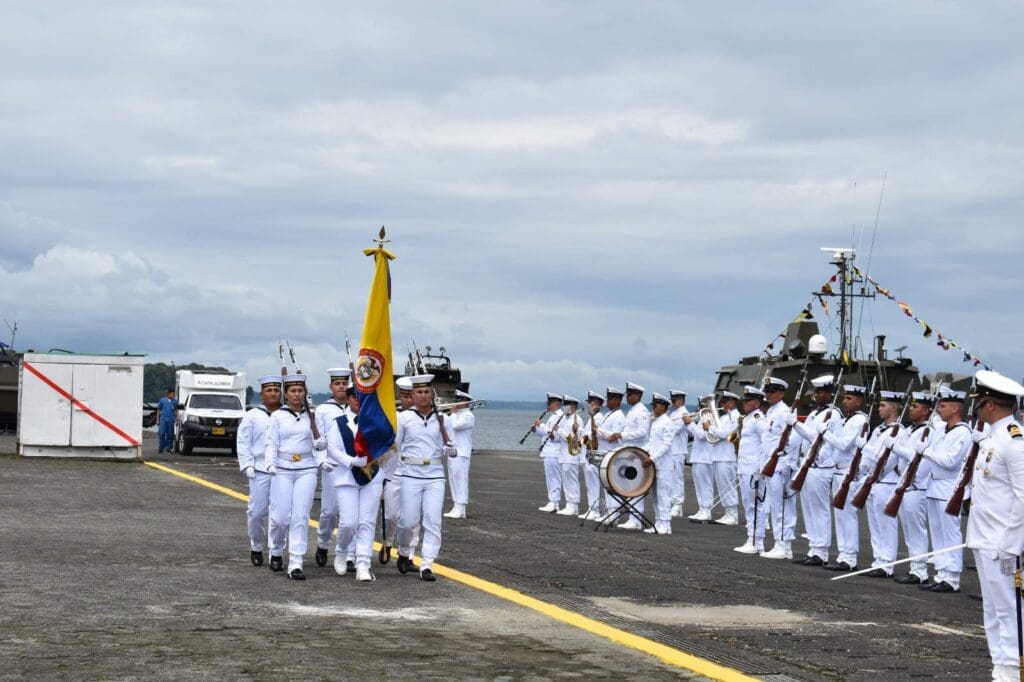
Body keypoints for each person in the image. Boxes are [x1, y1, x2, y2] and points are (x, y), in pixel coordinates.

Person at [964, 370, 1024, 682]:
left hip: (1002, 544)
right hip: (985, 540)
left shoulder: (1014, 440)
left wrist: (1011, 545)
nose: (974, 409)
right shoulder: (994, 438)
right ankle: (1001, 666)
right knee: (993, 610)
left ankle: (1014, 669)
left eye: (978, 403)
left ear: (990, 404)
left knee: (1009, 610)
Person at [265, 374, 329, 580]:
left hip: (306, 468)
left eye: (300, 391)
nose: (297, 394)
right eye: (293, 391)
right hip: (282, 468)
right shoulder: (277, 416)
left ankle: (296, 561)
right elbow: (271, 443)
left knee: (300, 516)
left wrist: (322, 456)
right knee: (281, 517)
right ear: (286, 394)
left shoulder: (313, 415)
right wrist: (270, 463)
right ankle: (276, 549)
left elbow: (319, 441)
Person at [395, 374, 453, 581]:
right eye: (418, 392)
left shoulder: (443, 418)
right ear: (412, 394)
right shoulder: (404, 418)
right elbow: (396, 446)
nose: (423, 396)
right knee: (408, 521)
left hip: (435, 475)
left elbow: (450, 446)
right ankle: (404, 550)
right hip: (410, 473)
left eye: (426, 392)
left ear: (432, 394)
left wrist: (450, 450)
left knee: (432, 520)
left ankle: (427, 563)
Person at [324, 387, 384, 582]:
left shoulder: (377, 422)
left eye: (363, 397)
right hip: (346, 475)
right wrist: (352, 461)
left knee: (367, 522)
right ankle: (341, 551)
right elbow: (331, 449)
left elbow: (387, 445)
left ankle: (363, 565)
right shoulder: (338, 423)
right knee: (349, 522)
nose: (358, 401)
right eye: (354, 397)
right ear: (348, 399)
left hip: (372, 475)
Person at [918, 386, 972, 592]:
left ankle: (952, 578)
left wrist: (927, 452)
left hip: (949, 488)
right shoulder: (941, 429)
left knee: (950, 535)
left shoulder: (963, 433)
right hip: (934, 486)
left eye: (943, 405)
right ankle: (941, 574)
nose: (939, 408)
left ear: (956, 408)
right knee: (937, 534)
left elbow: (950, 461)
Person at [890, 391, 943, 585]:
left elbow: (918, 457)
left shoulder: (930, 432)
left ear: (926, 411)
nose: (911, 409)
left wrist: (895, 447)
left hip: (917, 486)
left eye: (915, 407)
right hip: (905, 485)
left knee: (917, 531)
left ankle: (920, 571)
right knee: (909, 532)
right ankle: (915, 568)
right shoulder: (910, 430)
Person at [790, 375, 842, 566]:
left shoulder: (834, 414)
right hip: (808, 465)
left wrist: (795, 424)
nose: (816, 396)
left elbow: (815, 437)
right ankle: (814, 547)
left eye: (820, 392)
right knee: (809, 510)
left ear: (829, 394)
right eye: (816, 392)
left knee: (819, 510)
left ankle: (821, 551)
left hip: (820, 466)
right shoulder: (814, 414)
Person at [817, 384, 869, 571]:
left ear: (859, 401)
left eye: (849, 399)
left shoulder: (859, 420)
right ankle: (843, 554)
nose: (844, 401)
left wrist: (825, 432)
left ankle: (850, 558)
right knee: (840, 516)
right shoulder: (848, 419)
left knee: (847, 516)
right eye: (844, 398)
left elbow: (844, 445)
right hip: (838, 471)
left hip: (848, 471)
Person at [857, 390, 905, 577]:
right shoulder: (878, 429)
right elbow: (869, 459)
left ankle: (887, 564)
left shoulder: (899, 431)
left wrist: (865, 447)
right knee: (874, 525)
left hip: (887, 481)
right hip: (873, 481)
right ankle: (878, 560)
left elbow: (885, 460)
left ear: (893, 408)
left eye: (883, 405)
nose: (879, 408)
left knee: (886, 525)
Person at [235, 375, 282, 566]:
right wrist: (247, 465)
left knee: (280, 516)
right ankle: (256, 545)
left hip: (282, 469)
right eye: (269, 390)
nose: (273, 394)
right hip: (260, 469)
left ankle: (276, 550)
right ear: (262, 394)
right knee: (256, 512)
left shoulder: (286, 414)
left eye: (276, 390)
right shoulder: (253, 415)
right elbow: (243, 441)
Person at [314, 368, 352, 569]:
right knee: (329, 511)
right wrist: (321, 460)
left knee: (349, 514)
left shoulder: (355, 407)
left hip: (352, 466)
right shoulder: (323, 410)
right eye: (338, 384)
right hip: (332, 466)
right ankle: (322, 543)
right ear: (331, 387)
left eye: (345, 384)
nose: (342, 387)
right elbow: (318, 439)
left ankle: (347, 552)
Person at [761, 377, 801, 559]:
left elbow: (794, 440)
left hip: (780, 467)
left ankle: (784, 546)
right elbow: (768, 442)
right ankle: (779, 543)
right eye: (766, 391)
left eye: (771, 391)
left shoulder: (786, 412)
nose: (767, 395)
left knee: (783, 507)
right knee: (776, 507)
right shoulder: (771, 412)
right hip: (770, 465)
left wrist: (785, 465)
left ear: (781, 393)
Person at [734, 386, 769, 554]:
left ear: (756, 403)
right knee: (748, 505)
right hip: (744, 467)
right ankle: (752, 538)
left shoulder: (757, 418)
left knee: (755, 506)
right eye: (744, 400)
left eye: (748, 401)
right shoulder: (748, 419)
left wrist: (759, 469)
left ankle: (757, 541)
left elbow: (766, 443)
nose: (744, 403)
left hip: (753, 469)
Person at [613, 382, 651, 530]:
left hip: (638, 452)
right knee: (630, 485)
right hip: (631, 452)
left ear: (637, 395)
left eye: (629, 395)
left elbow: (642, 432)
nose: (627, 398)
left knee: (636, 485)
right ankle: (632, 517)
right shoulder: (633, 410)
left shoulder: (641, 411)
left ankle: (635, 519)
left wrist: (622, 434)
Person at [642, 392, 679, 535]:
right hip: (655, 464)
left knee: (664, 495)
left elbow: (666, 445)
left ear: (663, 406)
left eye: (655, 405)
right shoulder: (656, 422)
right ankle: (658, 522)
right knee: (656, 495)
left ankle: (666, 524)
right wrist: (640, 452)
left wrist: (652, 458)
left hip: (664, 465)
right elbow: (652, 443)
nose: (653, 408)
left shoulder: (668, 423)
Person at [708, 391, 740, 525]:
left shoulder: (736, 417)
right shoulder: (723, 418)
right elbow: (715, 436)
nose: (722, 404)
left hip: (727, 456)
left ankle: (733, 515)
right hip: (719, 455)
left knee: (729, 487)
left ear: (732, 402)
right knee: (722, 487)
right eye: (722, 402)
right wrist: (710, 428)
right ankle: (728, 513)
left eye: (725, 402)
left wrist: (710, 428)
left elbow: (727, 435)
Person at [443, 390, 475, 519]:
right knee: (453, 479)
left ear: (467, 402)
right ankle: (457, 506)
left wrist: (452, 413)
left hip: (462, 453)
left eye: (460, 400)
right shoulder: (457, 414)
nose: (456, 403)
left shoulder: (468, 416)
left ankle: (461, 506)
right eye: (456, 400)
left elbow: (455, 425)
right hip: (453, 451)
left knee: (461, 480)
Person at [596, 387, 627, 520]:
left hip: (612, 454)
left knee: (612, 485)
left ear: (616, 400)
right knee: (606, 485)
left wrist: (598, 431)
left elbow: (613, 437)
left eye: (609, 399)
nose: (607, 402)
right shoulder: (610, 414)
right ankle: (609, 512)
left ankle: (614, 513)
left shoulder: (619, 416)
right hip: (604, 453)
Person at [685, 395, 715, 522]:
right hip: (697, 456)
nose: (700, 408)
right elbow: (694, 434)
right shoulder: (701, 418)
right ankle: (702, 508)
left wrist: (690, 423)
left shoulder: (710, 418)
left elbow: (702, 435)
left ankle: (707, 510)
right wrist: (688, 425)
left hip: (705, 457)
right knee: (698, 485)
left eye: (703, 405)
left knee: (705, 485)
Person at [579, 391, 608, 521]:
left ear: (596, 403)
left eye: (590, 402)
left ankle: (595, 510)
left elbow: (592, 435)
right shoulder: (593, 417)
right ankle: (592, 508)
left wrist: (581, 441)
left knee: (594, 484)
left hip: (594, 454)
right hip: (588, 454)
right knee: (590, 484)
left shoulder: (599, 418)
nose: (587, 404)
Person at [534, 393, 565, 512]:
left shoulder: (560, 416)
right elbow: (545, 434)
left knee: (554, 478)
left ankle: (555, 502)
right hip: (548, 451)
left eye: (550, 403)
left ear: (556, 403)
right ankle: (552, 501)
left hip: (554, 451)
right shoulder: (552, 416)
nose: (548, 406)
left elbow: (555, 436)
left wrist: (541, 424)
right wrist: (536, 430)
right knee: (550, 478)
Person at [555, 395, 584, 516]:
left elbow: (573, 439)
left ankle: (573, 504)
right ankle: (569, 503)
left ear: (573, 406)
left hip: (572, 454)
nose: (564, 408)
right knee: (566, 479)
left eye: (566, 405)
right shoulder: (567, 419)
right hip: (564, 454)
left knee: (571, 480)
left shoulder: (576, 419)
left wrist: (559, 430)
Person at [668, 390, 689, 517]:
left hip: (678, 450)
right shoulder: (673, 414)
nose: (672, 402)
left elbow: (674, 430)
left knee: (677, 478)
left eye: (674, 400)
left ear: (681, 400)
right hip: (671, 450)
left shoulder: (684, 413)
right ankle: (673, 501)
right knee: (671, 478)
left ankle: (678, 504)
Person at [157, 388, 177, 453]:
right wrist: (157, 420)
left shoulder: (175, 401)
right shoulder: (162, 400)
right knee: (161, 433)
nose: (173, 395)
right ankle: (161, 447)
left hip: (171, 420)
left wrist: (177, 418)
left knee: (170, 434)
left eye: (174, 394)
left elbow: (177, 410)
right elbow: (158, 410)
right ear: (168, 394)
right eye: (172, 394)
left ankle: (169, 447)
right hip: (163, 419)